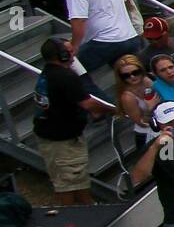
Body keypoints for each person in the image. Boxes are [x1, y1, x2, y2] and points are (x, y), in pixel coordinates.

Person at [34, 37, 114, 205]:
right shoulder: (64, 77)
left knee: (78, 178)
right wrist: (115, 109)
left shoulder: (50, 73)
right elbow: (88, 103)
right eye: (69, 52)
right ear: (61, 56)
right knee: (67, 184)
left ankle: (88, 206)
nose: (73, 55)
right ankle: (73, 219)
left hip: (64, 137)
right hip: (61, 142)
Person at [113, 53, 162, 152]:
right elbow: (141, 123)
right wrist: (149, 109)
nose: (132, 77)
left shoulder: (148, 80)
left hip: (164, 126)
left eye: (135, 72)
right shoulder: (127, 97)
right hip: (147, 135)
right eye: (126, 75)